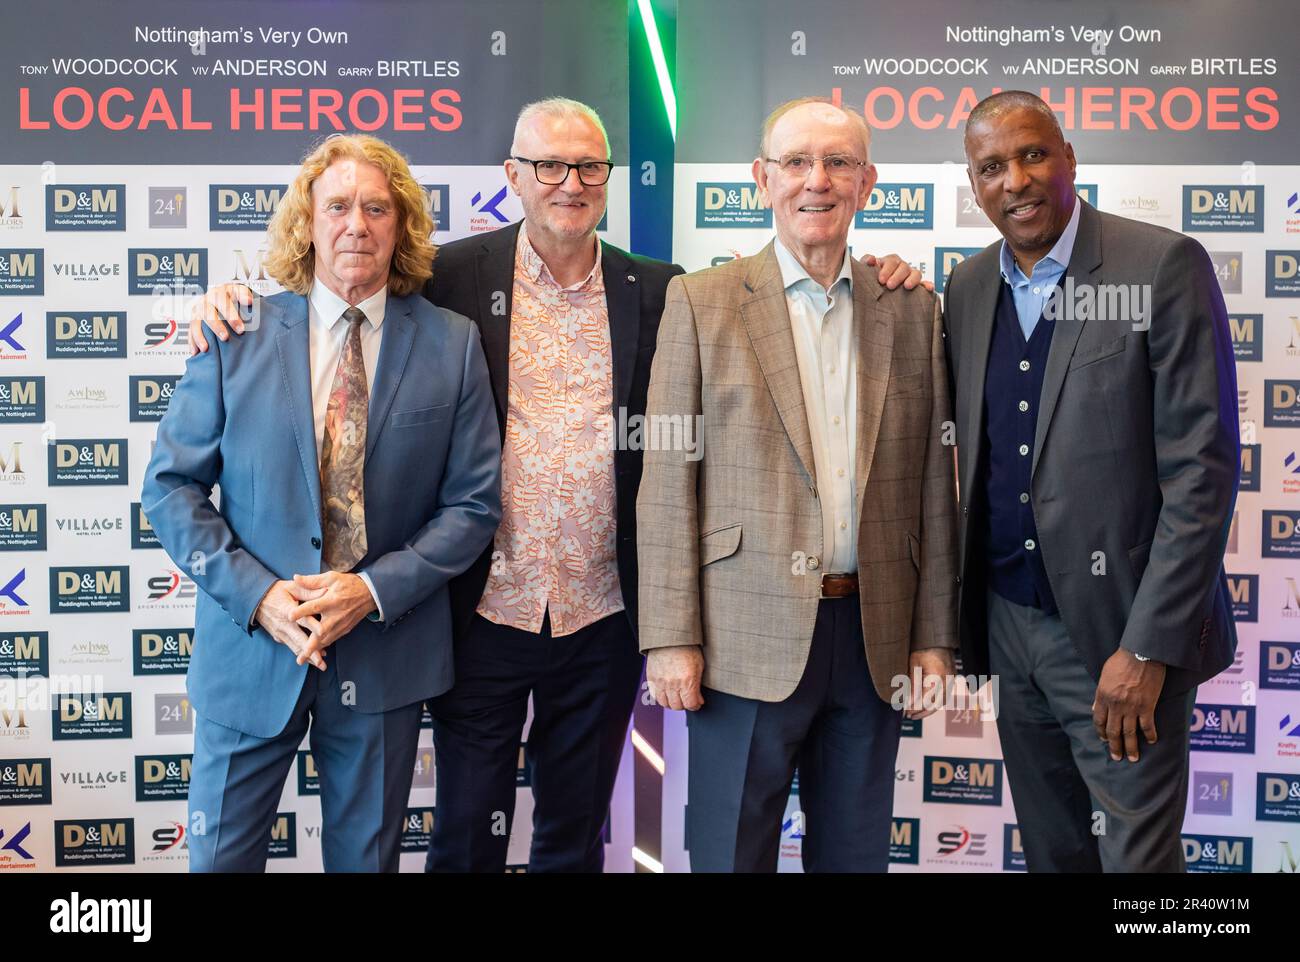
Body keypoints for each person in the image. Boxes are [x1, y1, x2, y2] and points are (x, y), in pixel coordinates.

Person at [188, 97, 923, 873]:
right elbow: (343, 295)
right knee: (466, 833)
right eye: (548, 165)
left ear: (607, 178)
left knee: (573, 836)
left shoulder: (662, 287)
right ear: (513, 175)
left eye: (588, 166)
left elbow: (689, 448)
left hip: (602, 617)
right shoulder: (450, 278)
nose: (569, 182)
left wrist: (881, 273)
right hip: (480, 612)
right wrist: (231, 301)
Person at [142, 134, 501, 872]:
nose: (356, 224)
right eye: (337, 205)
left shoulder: (453, 344)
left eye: (376, 208)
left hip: (383, 654)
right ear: (308, 221)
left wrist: (369, 591)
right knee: (218, 863)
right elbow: (171, 489)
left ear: (400, 226)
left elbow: (472, 507)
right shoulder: (234, 333)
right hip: (249, 655)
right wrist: (262, 598)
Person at [636, 97, 958, 873]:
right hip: (740, 639)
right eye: (796, 162)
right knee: (729, 856)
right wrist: (671, 636)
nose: (817, 181)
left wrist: (935, 635)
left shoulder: (914, 308)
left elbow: (932, 488)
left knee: (854, 857)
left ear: (868, 181)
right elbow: (667, 480)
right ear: (761, 178)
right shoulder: (701, 301)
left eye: (838, 162)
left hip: (874, 635)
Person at [945, 91, 1239, 872]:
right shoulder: (968, 289)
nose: (1016, 180)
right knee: (1054, 855)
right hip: (1010, 629)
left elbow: (1202, 475)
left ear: (1069, 158)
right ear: (973, 185)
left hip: (1122, 633)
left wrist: (1145, 648)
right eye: (991, 167)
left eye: (1033, 155)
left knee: (1137, 867)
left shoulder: (1161, 265)